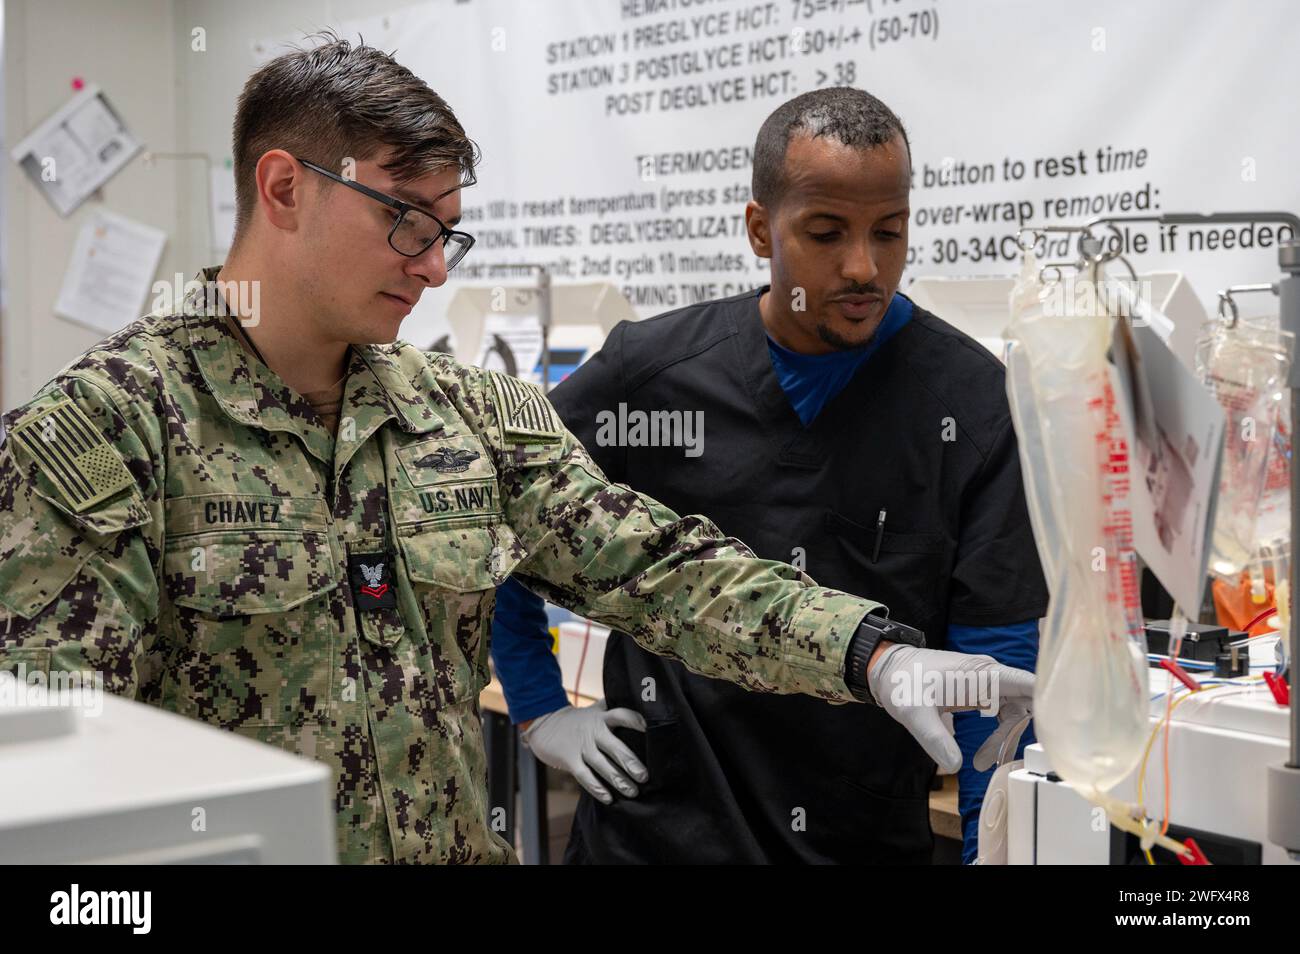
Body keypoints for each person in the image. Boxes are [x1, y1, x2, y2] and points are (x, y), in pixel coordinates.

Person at [0, 39, 1032, 864]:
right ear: (283, 188)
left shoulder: (470, 417)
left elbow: (661, 569)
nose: (437, 269)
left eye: (450, 230)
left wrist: (873, 653)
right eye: (408, 222)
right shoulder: (103, 441)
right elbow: (56, 795)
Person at [491, 87, 1048, 864]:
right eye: (826, 234)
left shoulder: (971, 402)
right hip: (654, 834)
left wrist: (997, 850)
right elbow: (498, 519)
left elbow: (996, 678)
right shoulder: (649, 376)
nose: (864, 266)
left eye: (889, 232)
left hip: (856, 838)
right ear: (761, 229)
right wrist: (539, 708)